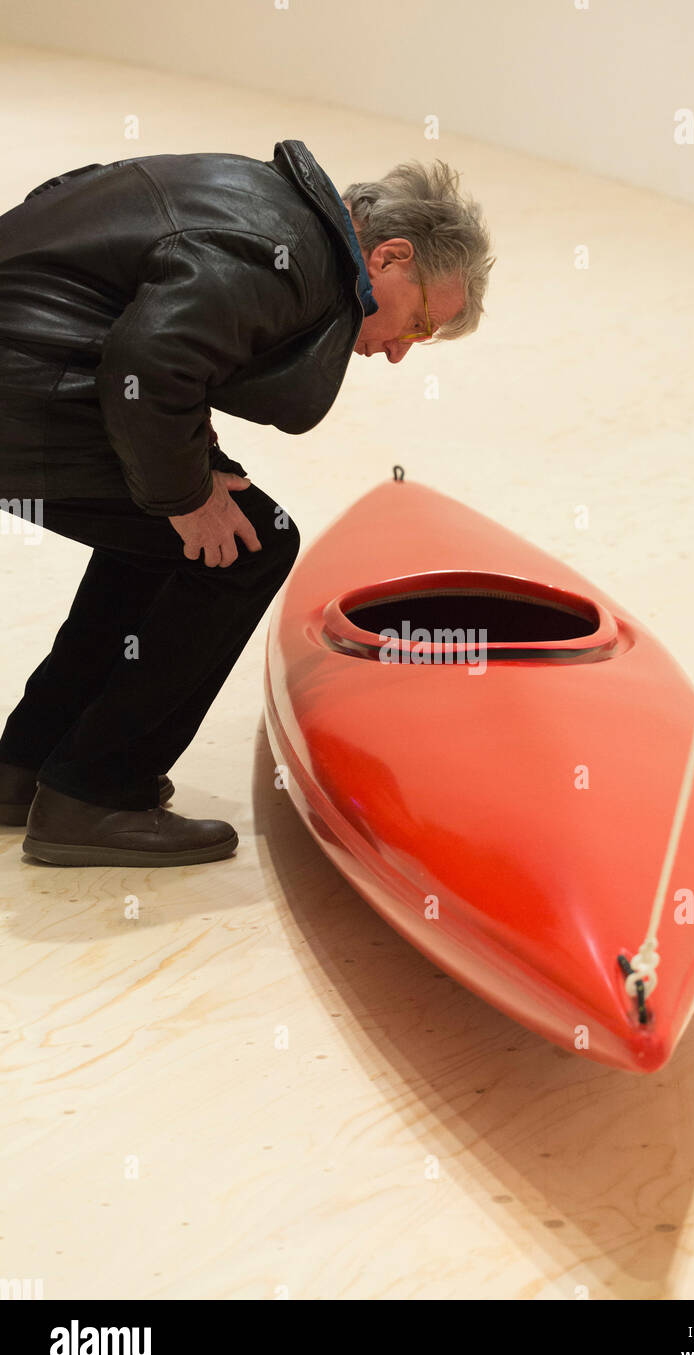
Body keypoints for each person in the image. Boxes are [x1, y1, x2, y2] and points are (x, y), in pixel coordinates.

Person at [0, 139, 493, 866]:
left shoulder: (279, 213)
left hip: (38, 377)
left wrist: (184, 488)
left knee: (169, 535)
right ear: (389, 257)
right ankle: (98, 791)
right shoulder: (284, 253)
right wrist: (186, 492)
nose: (399, 353)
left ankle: (27, 766)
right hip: (30, 393)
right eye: (419, 324)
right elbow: (152, 362)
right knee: (249, 544)